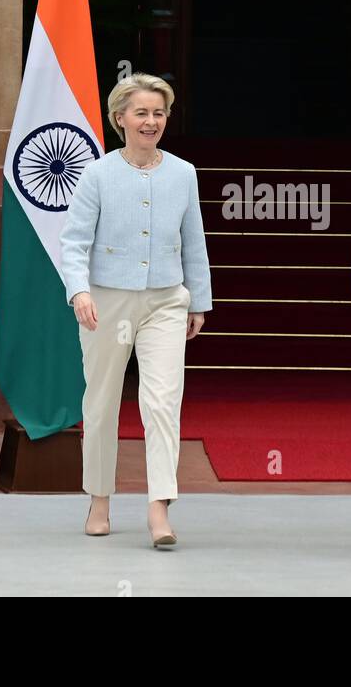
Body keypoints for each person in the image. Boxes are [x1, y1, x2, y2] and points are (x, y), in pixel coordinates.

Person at [60, 73, 212, 548]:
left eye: (159, 113)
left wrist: (199, 301)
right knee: (101, 401)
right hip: (106, 301)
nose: (151, 121)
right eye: (141, 112)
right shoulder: (97, 174)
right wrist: (79, 291)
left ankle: (158, 508)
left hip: (167, 299)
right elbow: (73, 241)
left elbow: (194, 242)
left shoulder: (183, 173)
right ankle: (99, 498)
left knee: (162, 402)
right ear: (119, 118)